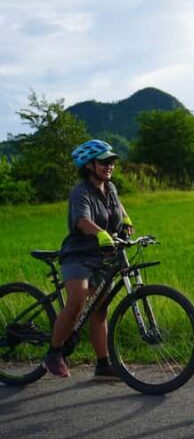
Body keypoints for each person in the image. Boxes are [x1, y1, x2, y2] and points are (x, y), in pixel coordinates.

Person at [43, 139, 134, 379]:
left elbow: (118, 206)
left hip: (102, 257)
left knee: (100, 308)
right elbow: (82, 221)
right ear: (89, 165)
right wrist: (101, 233)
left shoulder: (110, 188)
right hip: (78, 255)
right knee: (78, 300)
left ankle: (103, 364)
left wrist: (126, 219)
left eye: (112, 161)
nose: (110, 166)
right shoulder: (80, 192)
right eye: (104, 162)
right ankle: (53, 353)